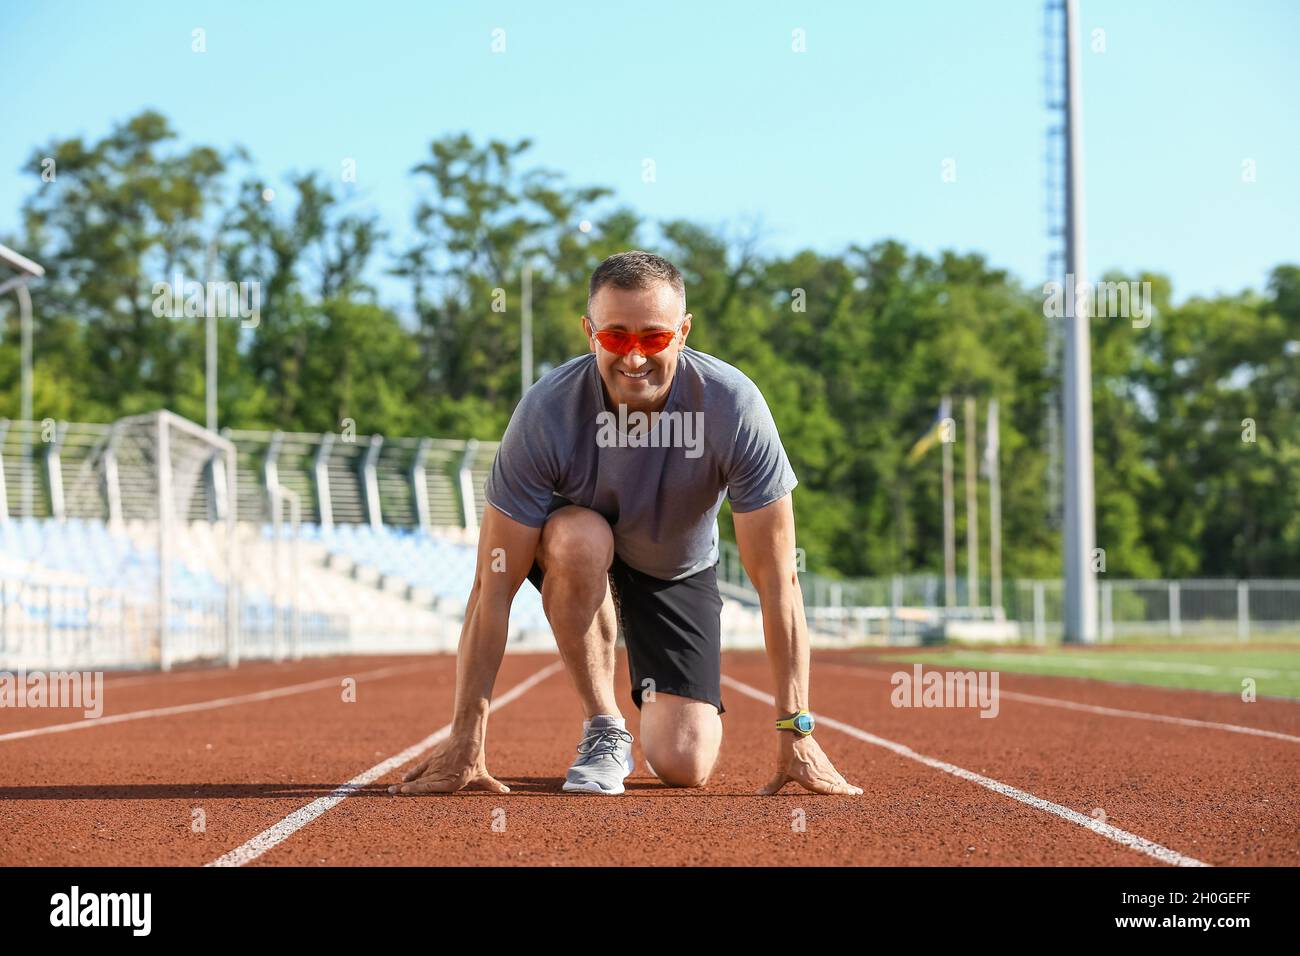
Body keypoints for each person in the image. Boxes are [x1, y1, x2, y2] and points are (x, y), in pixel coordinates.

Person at [391, 251, 861, 797]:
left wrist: (795, 728)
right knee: (579, 537)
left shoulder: (733, 407)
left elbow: (780, 581)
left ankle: (660, 719)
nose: (634, 358)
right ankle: (604, 726)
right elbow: (491, 586)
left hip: (676, 568)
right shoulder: (546, 413)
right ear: (589, 333)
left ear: (683, 334)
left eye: (653, 339)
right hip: (580, 549)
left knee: (684, 763)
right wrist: (467, 737)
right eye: (616, 337)